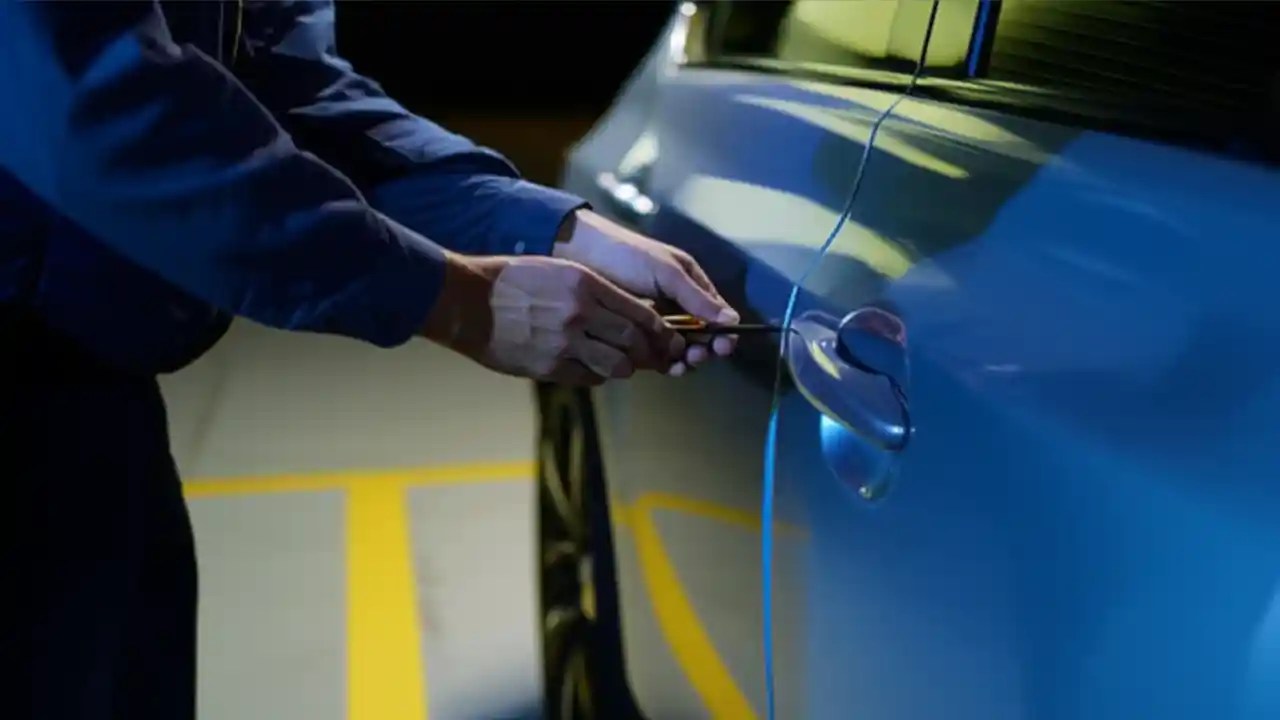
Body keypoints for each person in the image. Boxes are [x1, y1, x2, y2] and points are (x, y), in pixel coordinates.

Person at [0, 2, 739, 718]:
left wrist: (549, 229)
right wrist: (456, 299)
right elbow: (103, 106)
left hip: (97, 407)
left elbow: (289, 89)